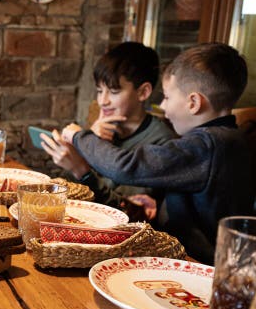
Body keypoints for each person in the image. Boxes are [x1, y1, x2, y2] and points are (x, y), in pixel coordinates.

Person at [57, 43, 253, 264]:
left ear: (194, 103)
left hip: (197, 264)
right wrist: (158, 206)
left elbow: (125, 166)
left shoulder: (206, 145)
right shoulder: (224, 140)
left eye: (167, 97)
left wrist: (80, 136)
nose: (163, 107)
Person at [41, 42, 176, 210]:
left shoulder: (161, 143)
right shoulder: (102, 128)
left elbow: (126, 209)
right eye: (99, 91)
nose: (102, 101)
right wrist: (86, 144)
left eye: (114, 92)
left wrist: (81, 169)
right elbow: (68, 191)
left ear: (143, 92)